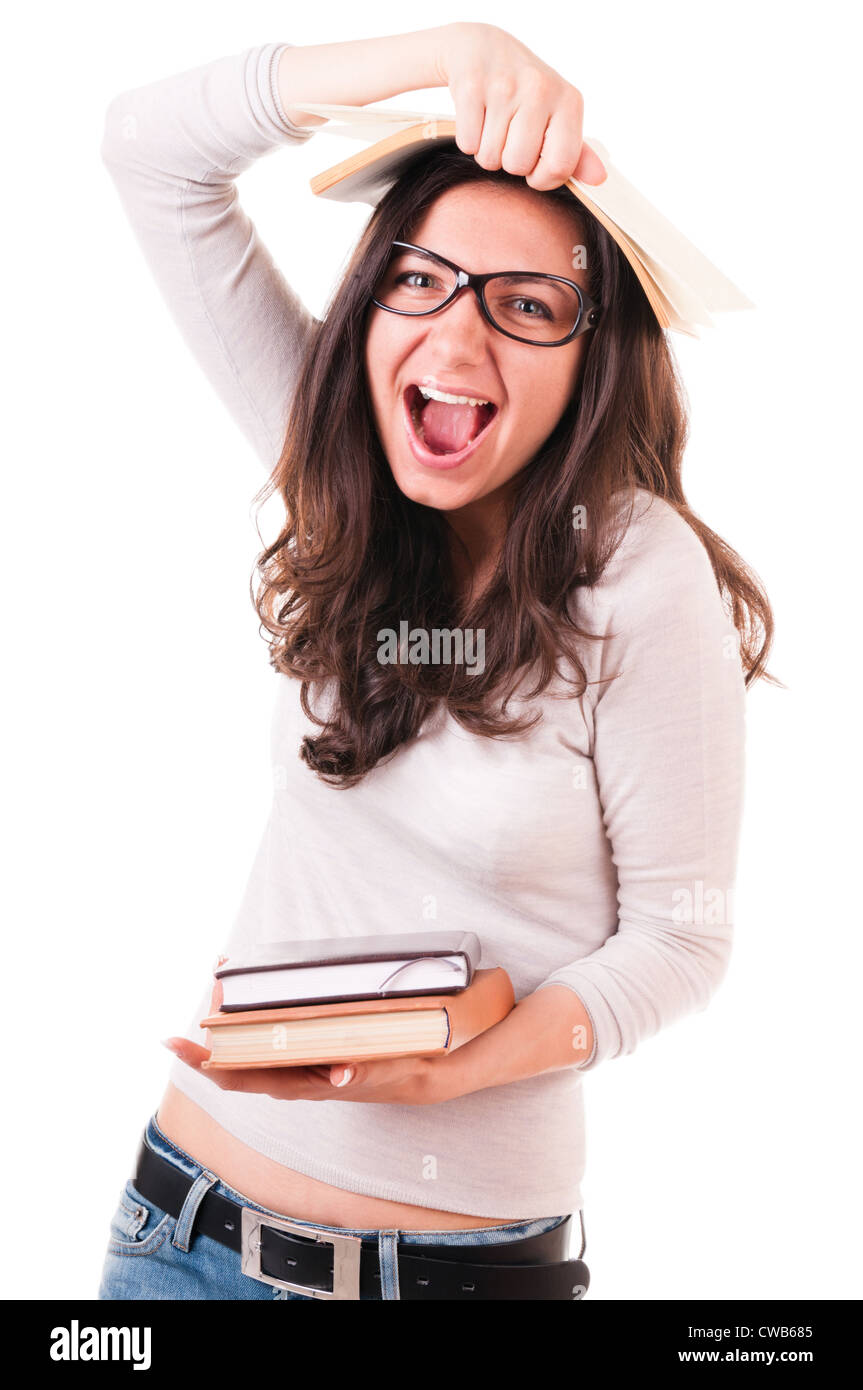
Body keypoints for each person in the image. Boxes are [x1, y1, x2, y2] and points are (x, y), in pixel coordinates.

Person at [97, 22, 774, 1301]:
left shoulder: (636, 574)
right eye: (421, 279)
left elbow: (680, 941)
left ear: (590, 364)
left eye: (526, 307)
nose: (456, 346)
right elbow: (149, 151)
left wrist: (457, 1065)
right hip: (175, 1234)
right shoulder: (340, 476)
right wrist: (444, 54)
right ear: (371, 299)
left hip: (452, 1276)